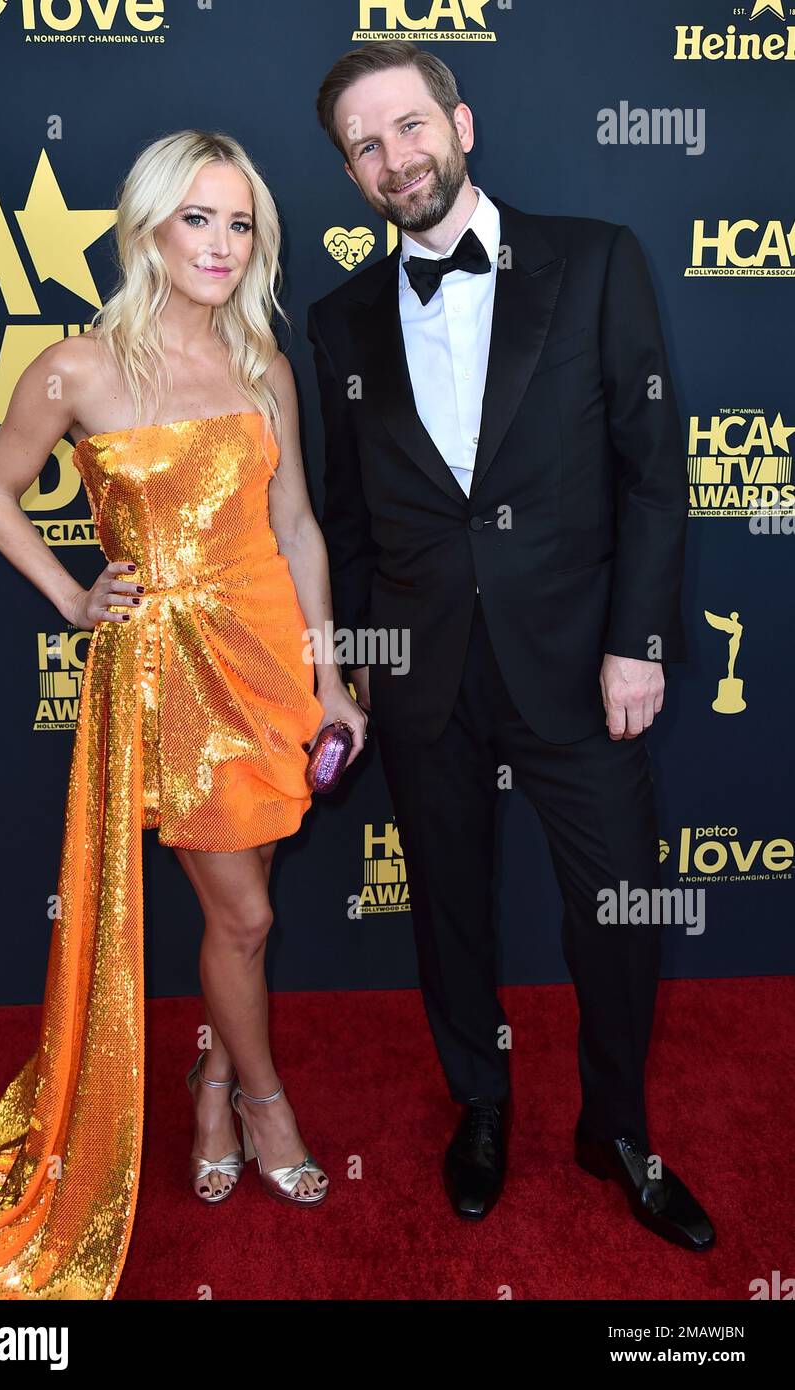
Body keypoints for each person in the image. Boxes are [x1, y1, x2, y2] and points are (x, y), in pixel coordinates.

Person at [0, 129, 366, 1299]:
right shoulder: (75, 367)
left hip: (271, 659)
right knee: (251, 917)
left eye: (240, 222)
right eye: (197, 219)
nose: (220, 244)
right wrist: (73, 594)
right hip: (167, 677)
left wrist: (327, 676)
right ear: (149, 230)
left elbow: (300, 529)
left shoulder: (264, 358)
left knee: (237, 921)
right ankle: (260, 1101)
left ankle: (211, 1081)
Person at [307, 41, 714, 1250]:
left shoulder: (592, 261)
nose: (393, 157)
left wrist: (636, 641)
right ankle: (477, 1106)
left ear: (460, 124)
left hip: (578, 662)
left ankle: (618, 1127)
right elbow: (347, 517)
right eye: (364, 144)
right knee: (449, 913)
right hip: (425, 676)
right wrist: (360, 665)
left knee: (618, 910)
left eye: (408, 126)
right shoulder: (336, 323)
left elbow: (651, 477)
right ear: (349, 170)